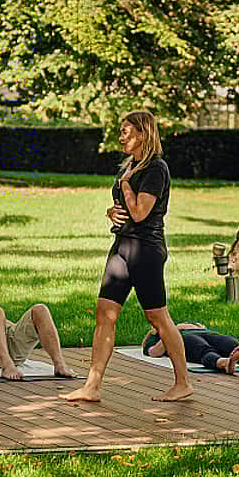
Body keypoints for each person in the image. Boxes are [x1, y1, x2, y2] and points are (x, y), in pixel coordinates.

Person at [63, 110, 192, 403]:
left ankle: (183, 382)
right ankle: (92, 386)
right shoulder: (130, 165)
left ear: (143, 134)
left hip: (145, 251)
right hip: (121, 247)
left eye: (126, 132)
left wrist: (124, 185)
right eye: (121, 131)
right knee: (105, 314)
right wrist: (112, 209)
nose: (121, 137)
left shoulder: (156, 169)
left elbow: (139, 212)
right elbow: (124, 208)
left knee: (157, 316)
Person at [143, 323, 239, 374]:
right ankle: (224, 363)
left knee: (234, 346)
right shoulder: (156, 336)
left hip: (208, 334)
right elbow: (153, 352)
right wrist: (173, 331)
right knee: (203, 350)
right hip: (185, 339)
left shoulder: (188, 324)